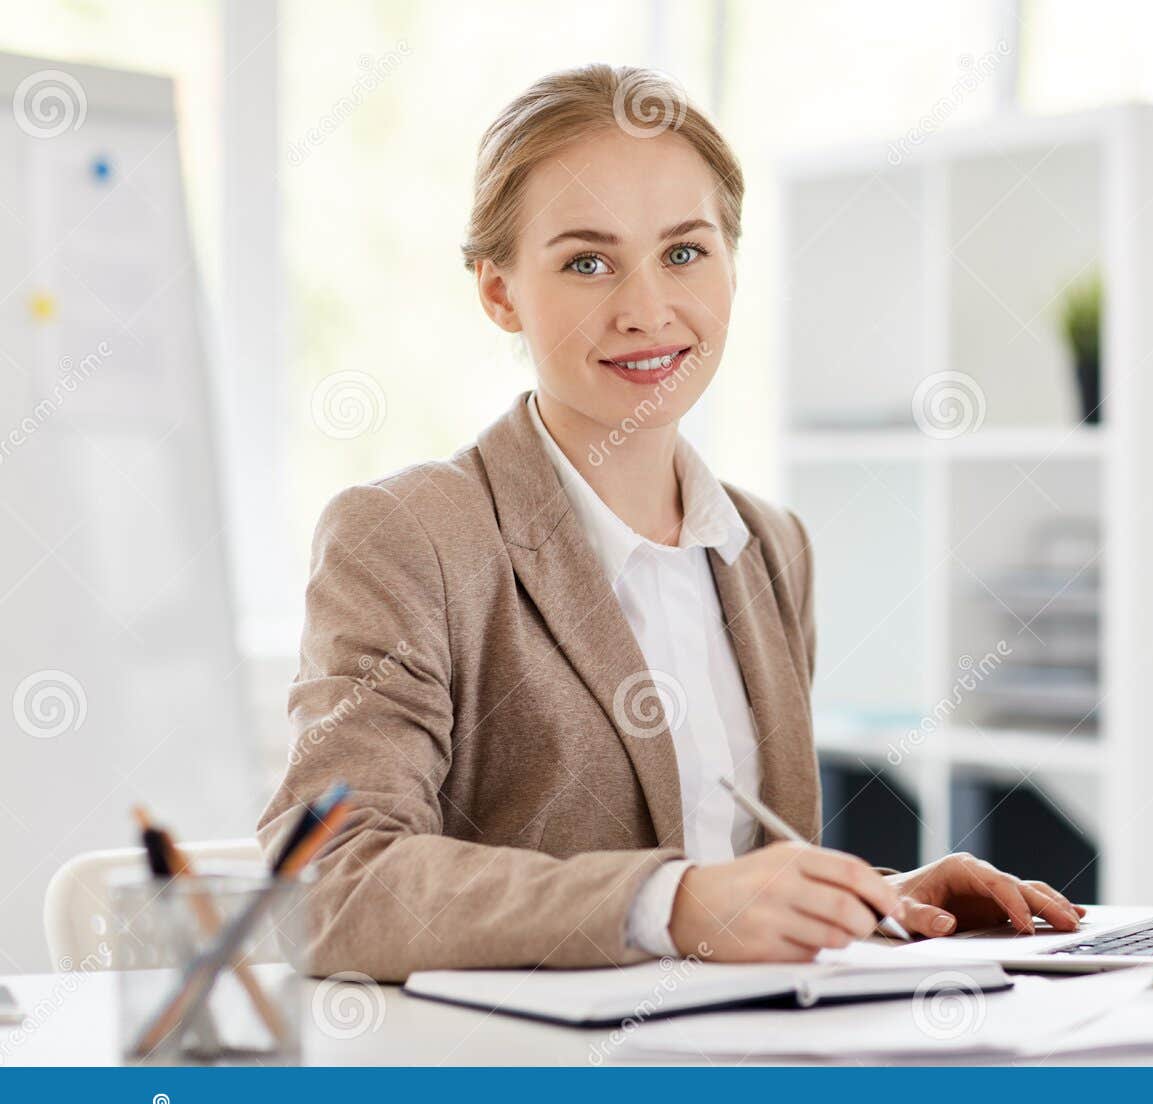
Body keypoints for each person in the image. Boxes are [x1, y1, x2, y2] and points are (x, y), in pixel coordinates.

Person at [258, 64, 1083, 982]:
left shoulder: (769, 548)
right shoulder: (412, 536)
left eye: (685, 252)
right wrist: (671, 901)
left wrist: (881, 905)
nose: (647, 310)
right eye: (586, 262)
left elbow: (720, 886)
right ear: (499, 293)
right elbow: (319, 881)